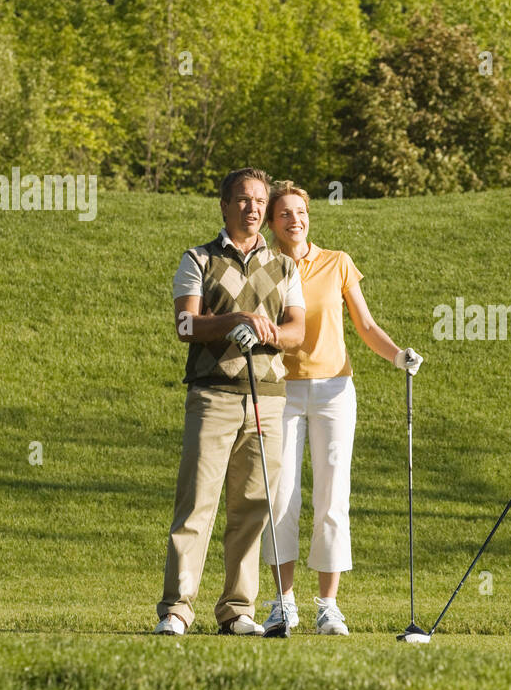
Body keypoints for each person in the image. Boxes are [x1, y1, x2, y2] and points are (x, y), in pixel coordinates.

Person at [260, 180, 423, 636]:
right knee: (281, 498)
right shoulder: (264, 266)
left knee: (332, 498)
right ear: (272, 223)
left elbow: (365, 325)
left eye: (300, 212)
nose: (295, 220)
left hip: (334, 390)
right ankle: (283, 604)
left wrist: (398, 356)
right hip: (281, 391)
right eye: (284, 213)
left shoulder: (337, 262)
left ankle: (328, 606)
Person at [154, 168, 305, 636]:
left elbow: (297, 332)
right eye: (242, 199)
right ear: (224, 206)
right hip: (213, 395)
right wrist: (234, 320)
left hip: (267, 400)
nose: (252, 208)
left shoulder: (284, 266)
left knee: (253, 508)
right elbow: (185, 326)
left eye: (259, 201)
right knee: (197, 504)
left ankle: (237, 610)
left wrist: (266, 332)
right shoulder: (198, 259)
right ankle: (177, 609)